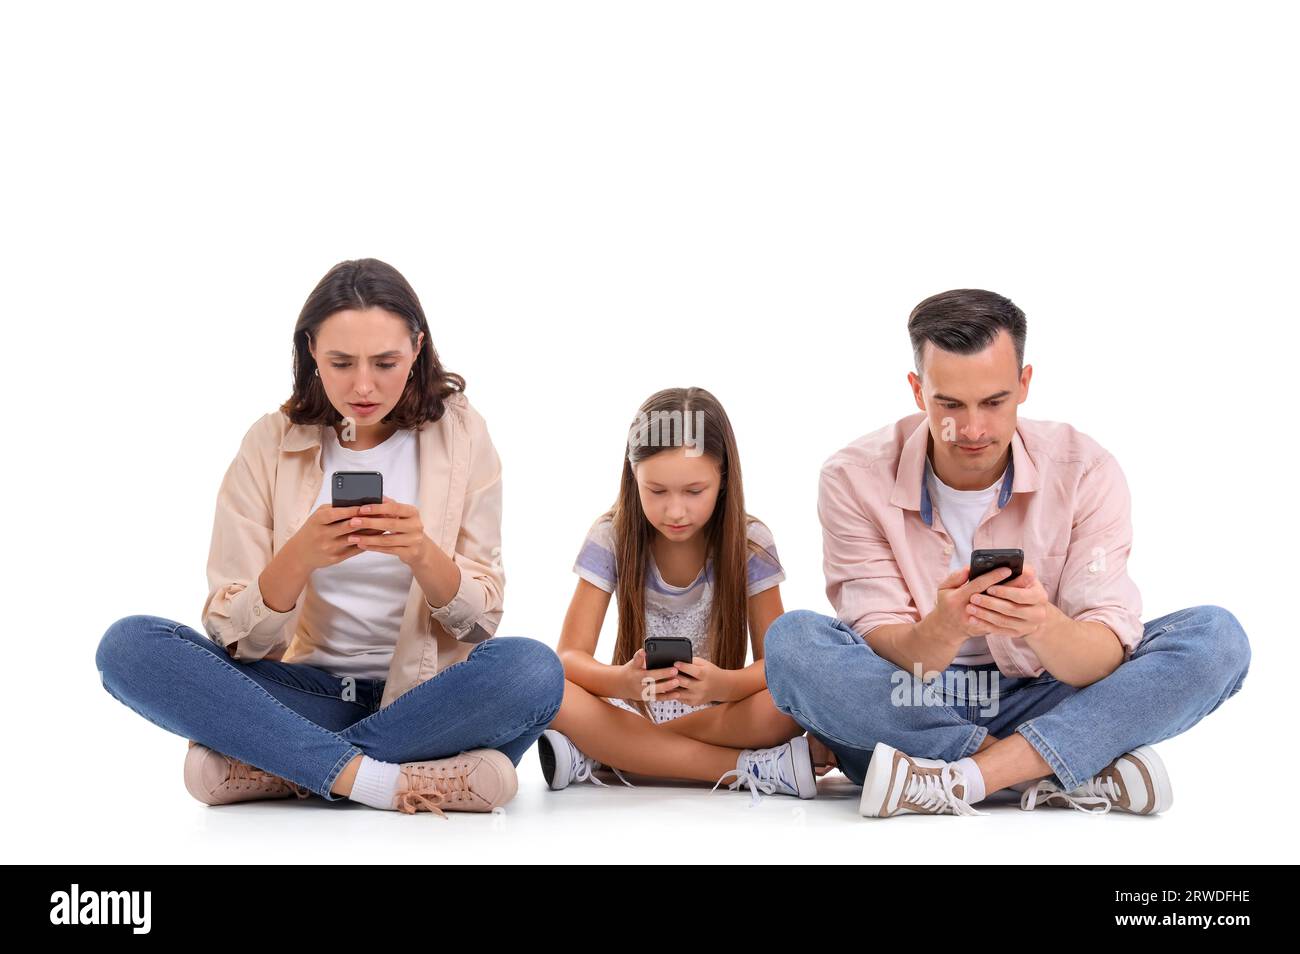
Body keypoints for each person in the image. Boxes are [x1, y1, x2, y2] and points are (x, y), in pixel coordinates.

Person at [95, 258, 564, 818]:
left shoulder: (461, 434)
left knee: (534, 670)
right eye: (341, 362)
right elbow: (232, 638)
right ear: (311, 349)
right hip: (305, 697)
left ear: (417, 347)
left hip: (428, 699)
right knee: (128, 645)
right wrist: (298, 559)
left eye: (386, 363)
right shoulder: (269, 443)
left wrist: (422, 553)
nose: (363, 386)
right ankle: (385, 777)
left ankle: (283, 769)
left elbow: (483, 619)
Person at [764, 289, 1251, 817]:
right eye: (949, 404)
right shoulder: (852, 477)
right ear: (916, 390)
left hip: (1044, 692)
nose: (972, 429)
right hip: (912, 701)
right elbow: (884, 649)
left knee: (1216, 639)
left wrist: (1041, 625)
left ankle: (957, 779)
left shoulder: (1084, 469)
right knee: (793, 644)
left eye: (994, 402)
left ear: (1024, 385)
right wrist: (943, 631)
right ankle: (1057, 768)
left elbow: (1103, 653)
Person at [538, 386, 818, 804]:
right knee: (549, 691)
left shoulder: (749, 542)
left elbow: (776, 666)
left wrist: (722, 684)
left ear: (723, 477)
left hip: (718, 711)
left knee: (788, 709)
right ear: (633, 478)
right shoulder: (611, 537)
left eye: (693, 491)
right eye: (656, 491)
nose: (675, 512)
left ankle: (607, 755)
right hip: (631, 707)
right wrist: (624, 681)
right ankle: (747, 768)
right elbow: (569, 657)